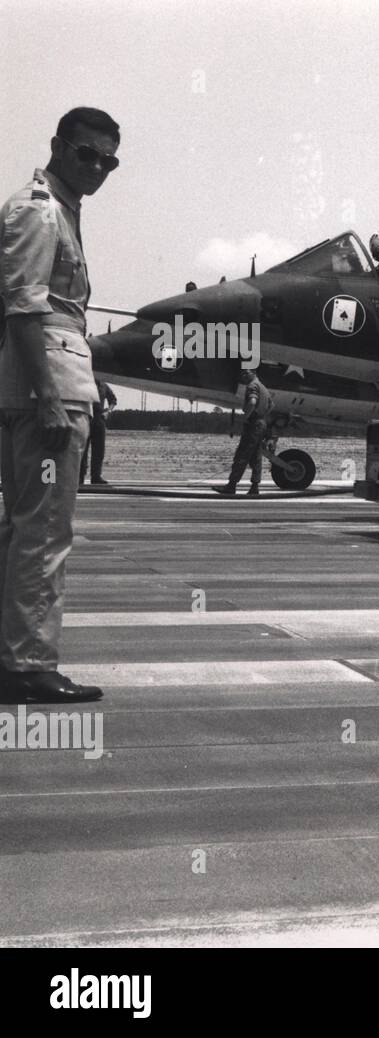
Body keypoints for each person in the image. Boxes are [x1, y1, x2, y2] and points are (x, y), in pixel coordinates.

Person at [0, 107, 121, 704]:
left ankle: (13, 657)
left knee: (24, 529)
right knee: (44, 533)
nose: (97, 167)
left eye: (108, 160)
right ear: (57, 146)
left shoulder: (60, 209)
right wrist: (49, 395)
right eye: (86, 154)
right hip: (44, 389)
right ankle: (28, 667)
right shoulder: (40, 209)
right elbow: (23, 305)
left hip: (47, 382)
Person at [214, 368, 272, 496]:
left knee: (242, 454)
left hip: (253, 425)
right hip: (261, 423)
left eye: (246, 373)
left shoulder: (252, 386)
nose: (243, 376)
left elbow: (252, 401)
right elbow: (271, 405)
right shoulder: (264, 388)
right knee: (256, 456)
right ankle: (254, 487)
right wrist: (261, 416)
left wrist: (246, 416)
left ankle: (231, 486)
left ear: (253, 373)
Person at [78, 378, 116, 485]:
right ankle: (80, 476)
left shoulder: (104, 386)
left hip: (99, 419)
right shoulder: (86, 383)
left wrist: (108, 411)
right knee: (83, 450)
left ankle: (96, 476)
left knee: (99, 450)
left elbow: (113, 400)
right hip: (86, 417)